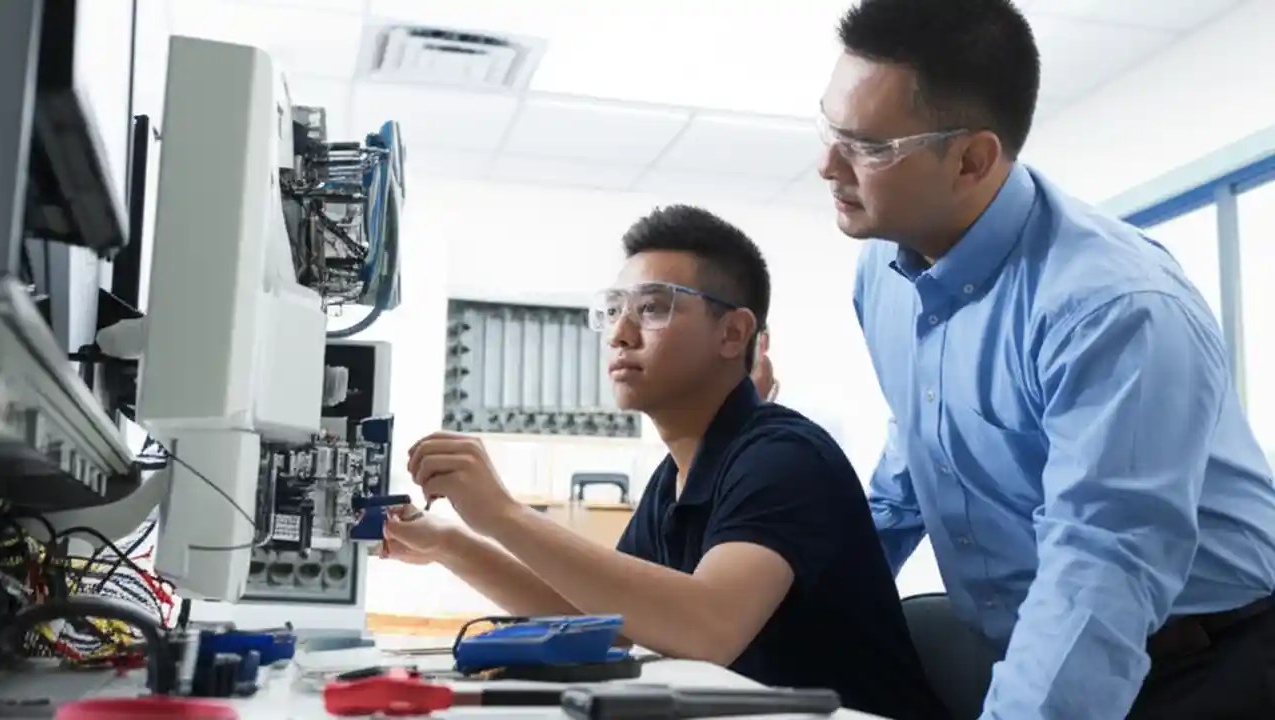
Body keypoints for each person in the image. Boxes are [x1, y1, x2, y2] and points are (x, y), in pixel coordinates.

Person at [819, 0, 1275, 718]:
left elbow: (1102, 566)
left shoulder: (1111, 306)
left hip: (1206, 661)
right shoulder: (883, 273)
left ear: (971, 159)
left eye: (868, 148)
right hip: (1044, 645)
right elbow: (912, 464)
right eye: (830, 130)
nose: (827, 166)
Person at [381, 205, 944, 719]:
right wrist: (450, 544)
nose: (620, 336)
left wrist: (503, 513)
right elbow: (601, 620)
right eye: (614, 311)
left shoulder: (785, 458)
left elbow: (706, 627)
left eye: (652, 308)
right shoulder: (678, 475)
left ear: (733, 333)